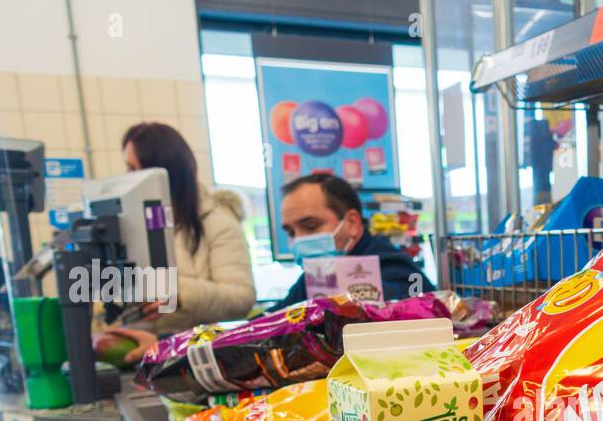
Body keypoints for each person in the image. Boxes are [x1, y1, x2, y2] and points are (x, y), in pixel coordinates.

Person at [121, 122, 256, 334]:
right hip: (140, 347)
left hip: (195, 353)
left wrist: (176, 290)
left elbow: (241, 299)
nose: (128, 178)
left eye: (133, 168)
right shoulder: (132, 225)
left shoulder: (217, 222)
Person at [274, 173, 433, 309]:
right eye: (291, 232)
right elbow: (275, 318)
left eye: (311, 226)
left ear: (352, 223)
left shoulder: (393, 269)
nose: (298, 240)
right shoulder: (317, 276)